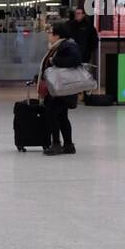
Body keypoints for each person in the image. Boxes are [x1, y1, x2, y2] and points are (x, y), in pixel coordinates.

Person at [39, 20, 83, 155]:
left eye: (50, 32)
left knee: (52, 115)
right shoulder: (58, 47)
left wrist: (54, 61)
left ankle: (57, 144)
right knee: (62, 117)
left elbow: (75, 61)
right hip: (58, 88)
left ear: (58, 35)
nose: (48, 35)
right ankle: (68, 145)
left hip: (61, 90)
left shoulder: (67, 45)